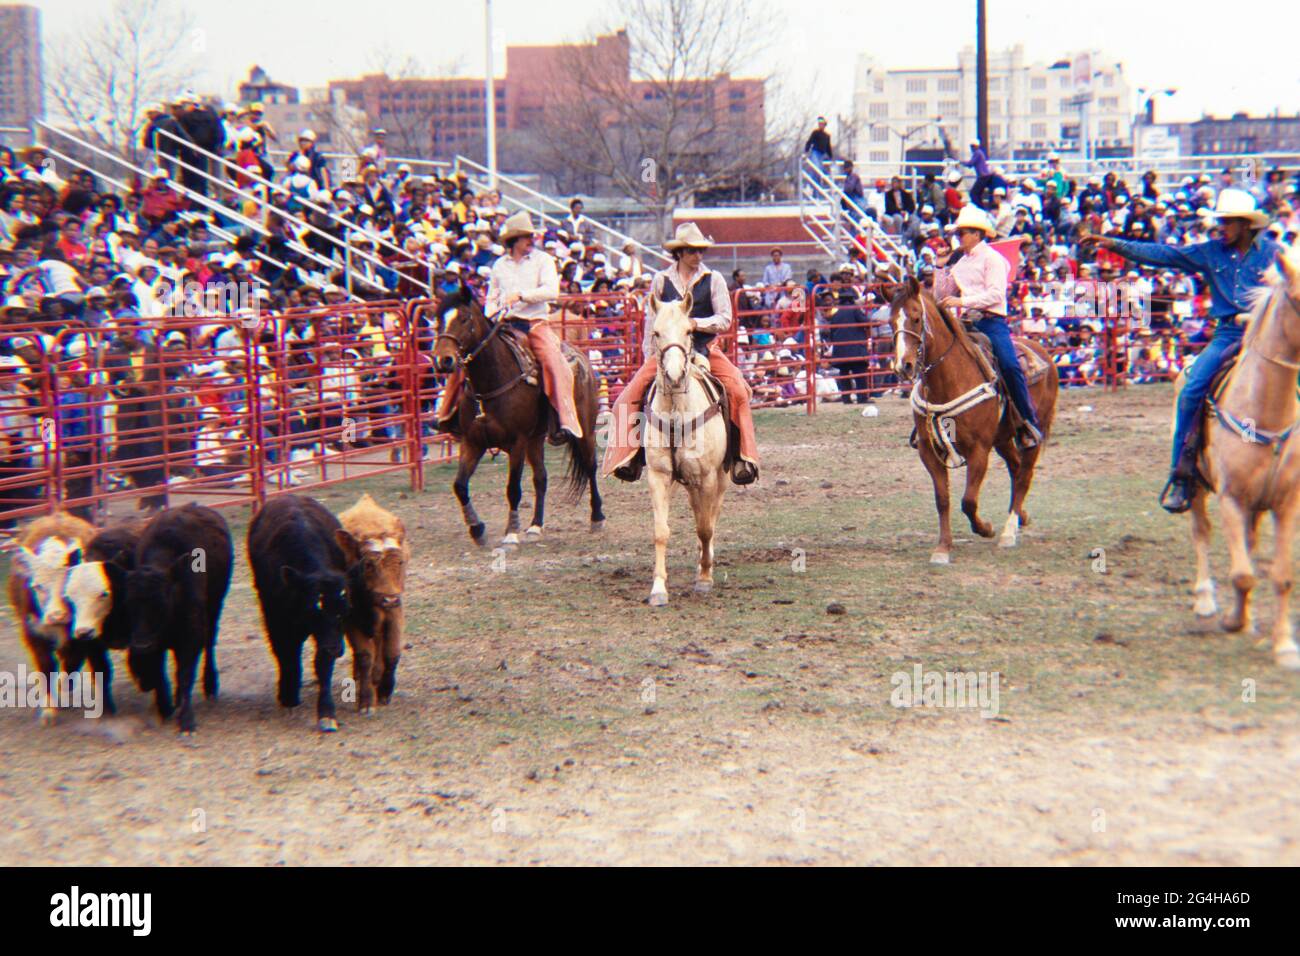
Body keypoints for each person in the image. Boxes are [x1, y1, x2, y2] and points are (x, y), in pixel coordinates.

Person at [1081, 188, 1283, 513]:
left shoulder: (1274, 253)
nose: (1222, 227)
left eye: (1229, 222)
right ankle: (1182, 473)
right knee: (1191, 391)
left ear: (1246, 225)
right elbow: (1165, 254)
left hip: (1267, 333)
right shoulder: (1209, 252)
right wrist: (1114, 244)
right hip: (1229, 333)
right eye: (1221, 221)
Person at [602, 222, 758, 485]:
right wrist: (649, 357)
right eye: (691, 251)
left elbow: (725, 319)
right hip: (667, 352)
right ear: (679, 253)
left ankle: (741, 457)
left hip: (705, 347)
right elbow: (652, 324)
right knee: (626, 398)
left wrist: (696, 324)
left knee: (739, 391)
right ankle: (631, 457)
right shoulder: (661, 280)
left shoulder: (714, 279)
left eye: (700, 250)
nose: (698, 256)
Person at [435, 211, 582, 441]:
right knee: (467, 357)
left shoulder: (543, 260)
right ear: (514, 240)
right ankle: (448, 416)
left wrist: (521, 295)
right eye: (526, 237)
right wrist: (491, 311)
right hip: (503, 324)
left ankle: (564, 420)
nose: (531, 240)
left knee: (554, 361)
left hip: (534, 324)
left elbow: (552, 291)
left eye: (531, 237)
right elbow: (492, 295)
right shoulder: (499, 266)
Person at [936, 205, 1042, 449]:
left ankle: (1027, 420)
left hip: (991, 321)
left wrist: (963, 301)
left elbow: (995, 295)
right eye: (957, 234)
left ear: (976, 233)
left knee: (1009, 364)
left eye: (961, 233)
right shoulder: (960, 263)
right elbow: (942, 295)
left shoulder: (994, 259)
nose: (958, 238)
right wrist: (941, 267)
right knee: (937, 359)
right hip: (965, 322)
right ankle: (937, 423)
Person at [804, 116, 833, 185]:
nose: (820, 125)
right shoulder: (815, 133)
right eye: (819, 124)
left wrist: (831, 157)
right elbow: (810, 141)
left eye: (822, 124)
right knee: (816, 168)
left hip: (821, 155)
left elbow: (828, 147)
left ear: (824, 125)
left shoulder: (827, 136)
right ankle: (809, 184)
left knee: (818, 171)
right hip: (815, 153)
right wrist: (806, 151)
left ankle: (816, 187)